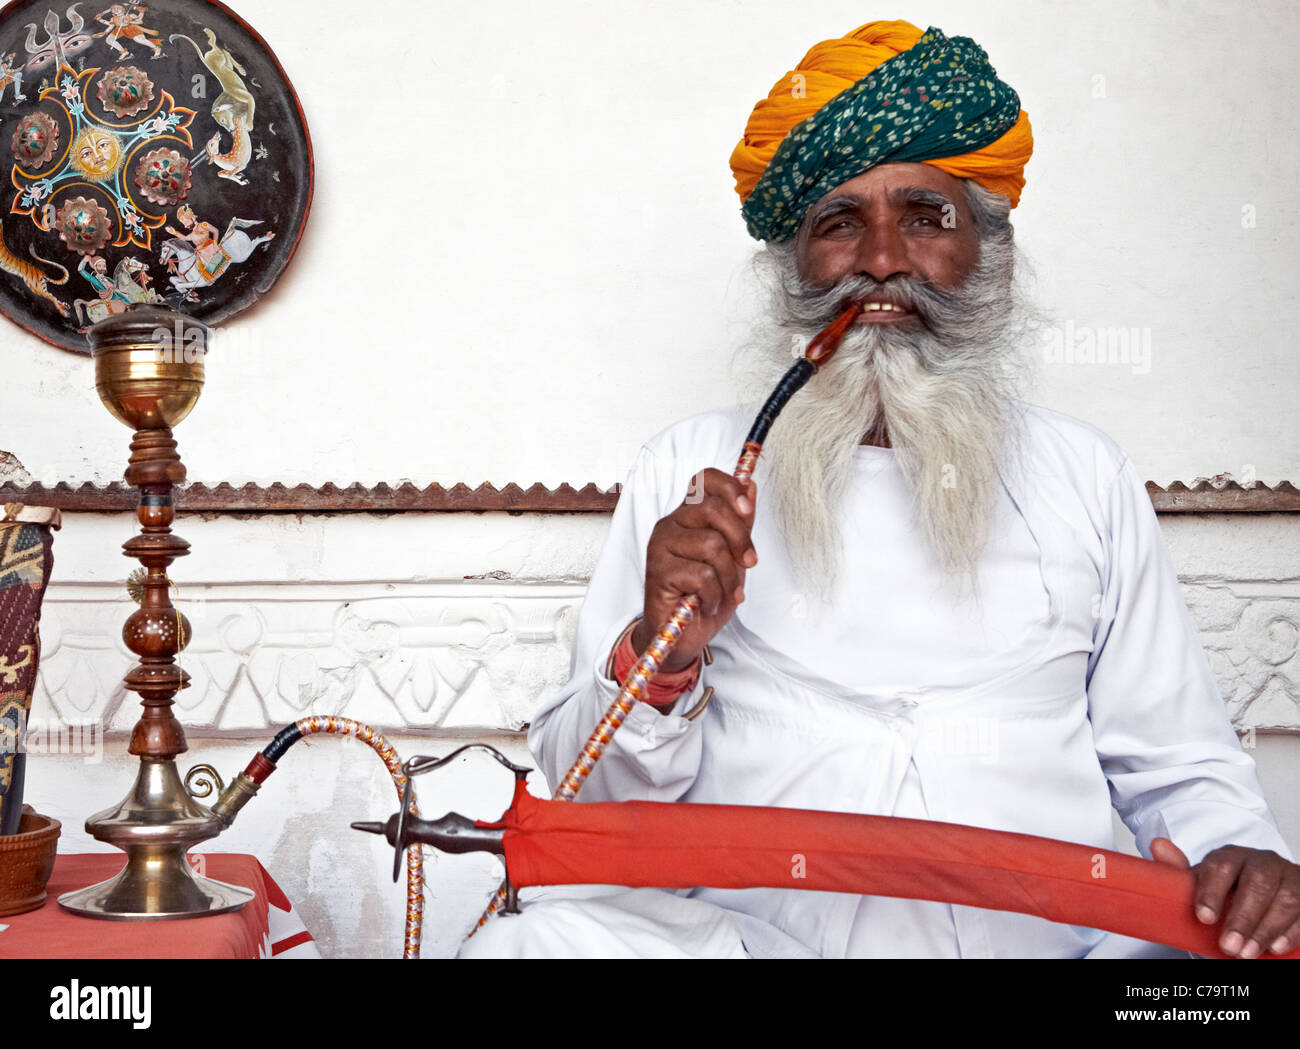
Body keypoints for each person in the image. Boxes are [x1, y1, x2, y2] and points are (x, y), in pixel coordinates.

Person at [460, 19, 1298, 959]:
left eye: (926, 217)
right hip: (762, 947)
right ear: (794, 263)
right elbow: (591, 800)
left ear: (988, 251)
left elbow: (1182, 767)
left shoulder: (1084, 475)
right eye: (840, 222)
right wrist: (663, 657)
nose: (884, 259)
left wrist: (1244, 859)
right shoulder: (689, 472)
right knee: (533, 947)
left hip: (1051, 950)